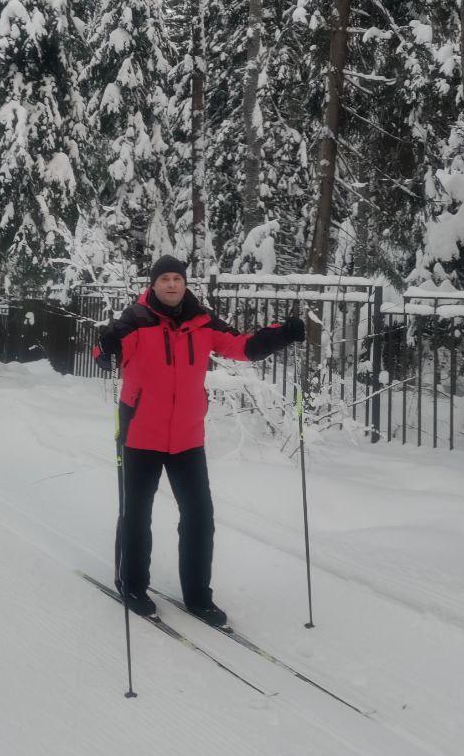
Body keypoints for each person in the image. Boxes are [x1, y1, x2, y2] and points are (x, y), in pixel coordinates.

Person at [93, 256, 306, 626]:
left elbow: (242, 346)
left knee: (199, 517)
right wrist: (106, 346)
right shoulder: (134, 321)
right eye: (165, 279)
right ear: (154, 284)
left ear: (185, 284)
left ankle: (197, 596)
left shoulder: (202, 322)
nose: (172, 285)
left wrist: (282, 333)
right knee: (136, 514)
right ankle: (131, 585)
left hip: (187, 438)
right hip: (140, 434)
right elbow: (101, 354)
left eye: (177, 278)